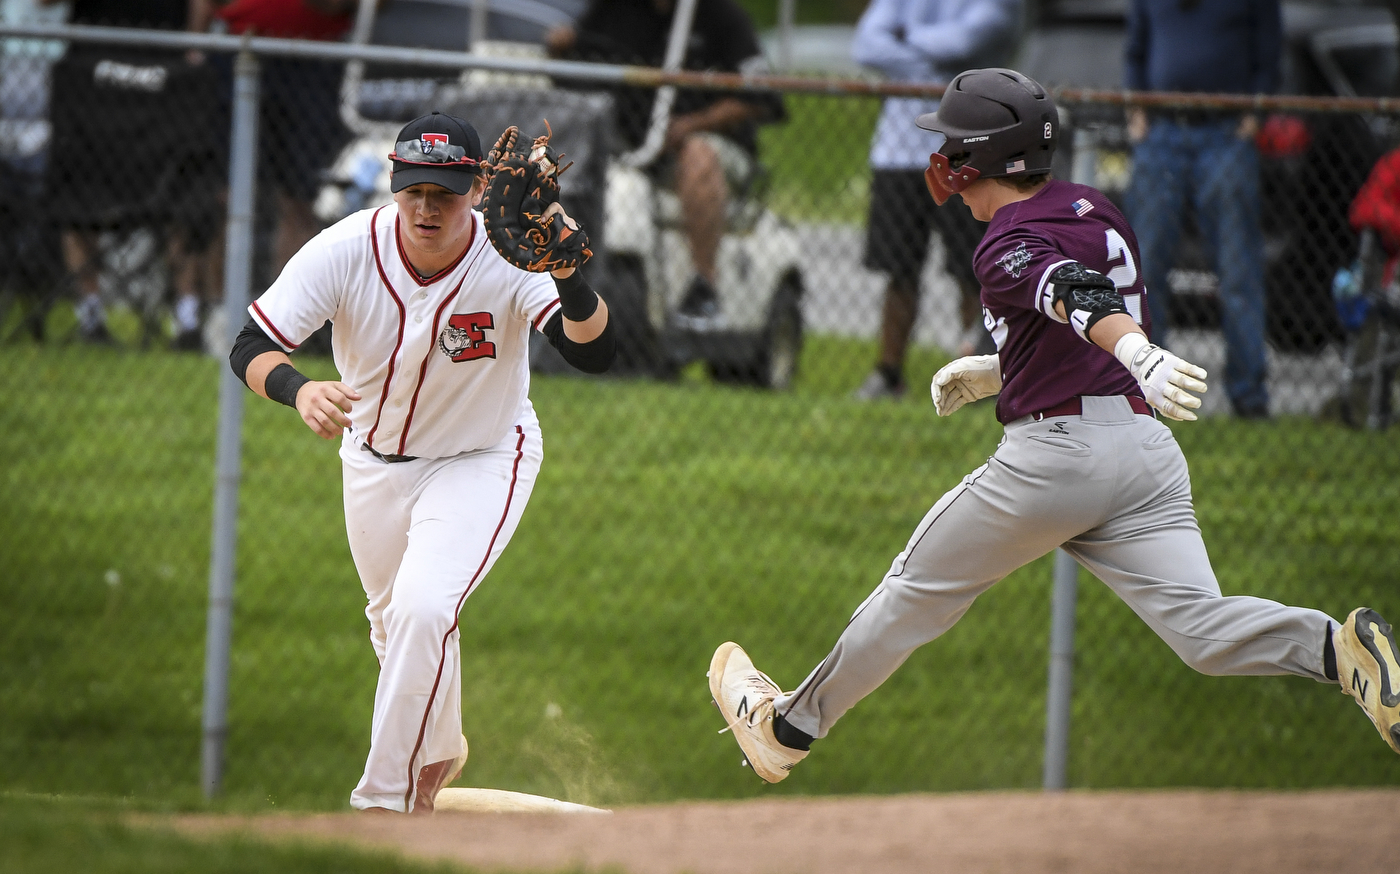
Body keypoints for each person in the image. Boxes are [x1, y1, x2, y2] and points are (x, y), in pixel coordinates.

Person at [707, 68, 1400, 784]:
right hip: (1144, 456)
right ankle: (1338, 649)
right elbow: (1077, 320)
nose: (943, 163)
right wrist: (1001, 367)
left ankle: (786, 729)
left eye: (952, 148)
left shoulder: (1005, 237)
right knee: (1204, 631)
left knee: (915, 591)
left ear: (978, 158)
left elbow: (1072, 292)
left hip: (1057, 461)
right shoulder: (1096, 208)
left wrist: (1134, 349)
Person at [228, 112, 616, 813]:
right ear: (394, 184)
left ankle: (385, 803)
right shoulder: (347, 247)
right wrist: (299, 388)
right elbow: (249, 344)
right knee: (393, 624)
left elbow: (593, 351)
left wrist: (569, 274)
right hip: (372, 461)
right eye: (414, 190)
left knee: (423, 607)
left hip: (482, 456)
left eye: (444, 191)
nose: (427, 207)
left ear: (474, 188)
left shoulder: (508, 254)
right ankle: (436, 750)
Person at [546, 0, 785, 320]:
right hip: (630, 146)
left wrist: (693, 124)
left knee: (698, 153)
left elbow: (759, 97)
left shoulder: (721, 16)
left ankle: (704, 286)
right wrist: (559, 49)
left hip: (708, 147)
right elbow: (576, 68)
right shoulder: (614, 10)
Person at [850, 0, 1022, 400]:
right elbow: (865, 46)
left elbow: (964, 45)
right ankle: (888, 374)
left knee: (973, 271)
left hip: (968, 151)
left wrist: (901, 41)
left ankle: (983, 377)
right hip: (898, 151)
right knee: (899, 270)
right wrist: (942, 73)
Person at [1123, 0, 1279, 418]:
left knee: (1237, 272)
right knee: (1144, 272)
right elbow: (1135, 51)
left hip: (1225, 134)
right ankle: (1147, 393)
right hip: (1162, 135)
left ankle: (1250, 399)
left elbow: (1269, 59)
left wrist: (1253, 119)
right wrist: (1137, 112)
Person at [176, 0, 358, 350]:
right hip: (239, 50)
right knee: (226, 196)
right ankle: (220, 318)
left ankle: (287, 327)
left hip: (313, 56)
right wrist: (194, 47)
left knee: (300, 200)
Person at [42, 0, 223, 344]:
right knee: (76, 195)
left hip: (166, 80)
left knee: (186, 194)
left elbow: (203, 5)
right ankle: (91, 317)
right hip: (89, 86)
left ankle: (186, 322)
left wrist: (190, 48)